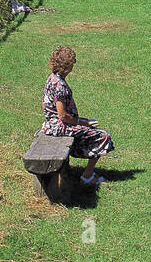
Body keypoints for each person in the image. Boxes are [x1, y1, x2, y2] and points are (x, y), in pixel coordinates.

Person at [41, 45, 115, 186]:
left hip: (50, 125)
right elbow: (62, 116)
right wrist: (82, 122)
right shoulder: (60, 86)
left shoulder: (51, 78)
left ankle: (83, 169)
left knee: (90, 133)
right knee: (103, 136)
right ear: (67, 66)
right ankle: (87, 176)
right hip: (60, 127)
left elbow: (44, 105)